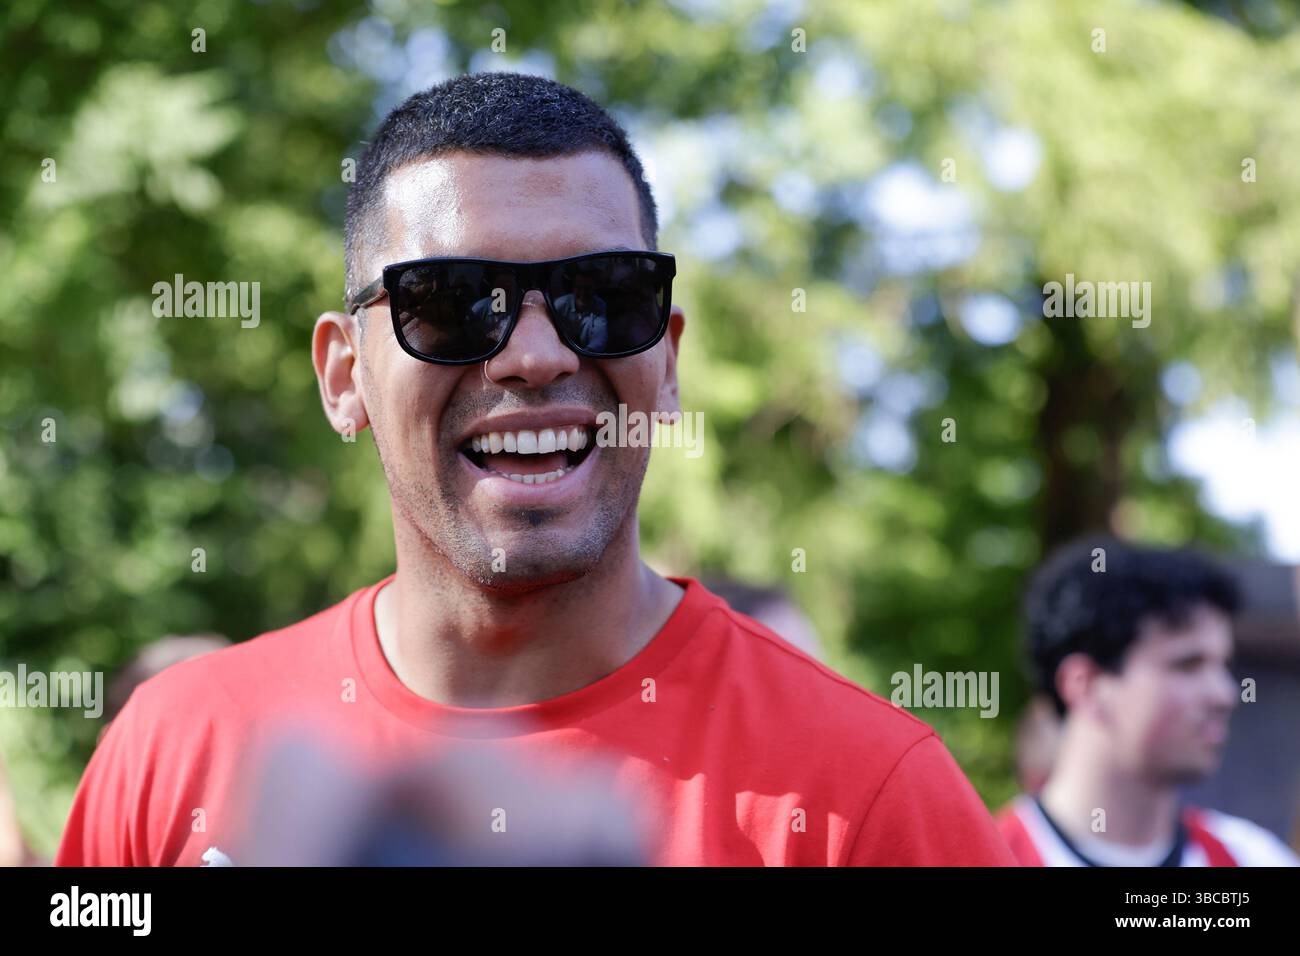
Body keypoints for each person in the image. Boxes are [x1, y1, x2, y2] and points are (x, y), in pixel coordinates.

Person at [57, 72, 1012, 867]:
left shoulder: (871, 796)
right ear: (344, 377)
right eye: (453, 301)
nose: (537, 355)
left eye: (602, 296)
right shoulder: (172, 750)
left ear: (668, 361)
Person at [997, 537, 1300, 866]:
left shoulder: (1255, 859)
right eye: (1187, 665)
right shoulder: (980, 856)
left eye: (1223, 665)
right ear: (1085, 685)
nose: (1225, 694)